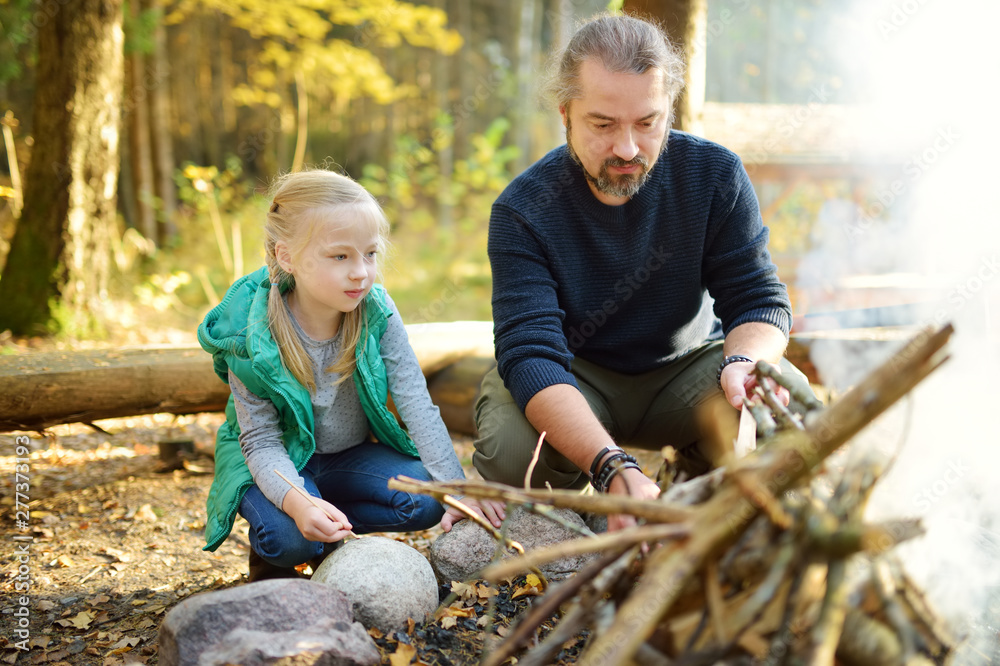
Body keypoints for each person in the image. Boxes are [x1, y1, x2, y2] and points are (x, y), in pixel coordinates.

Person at [472, 13, 814, 531]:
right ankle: (583, 513)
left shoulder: (716, 175)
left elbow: (758, 300)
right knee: (511, 451)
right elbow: (531, 357)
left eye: (647, 122)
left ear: (668, 110)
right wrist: (612, 467)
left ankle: (695, 481)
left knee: (781, 408)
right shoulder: (524, 209)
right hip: (574, 375)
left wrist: (745, 362)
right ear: (566, 113)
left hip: (689, 369)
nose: (628, 149)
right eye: (603, 124)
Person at [198, 169, 505, 581]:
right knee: (290, 541)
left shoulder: (375, 310)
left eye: (370, 254)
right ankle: (288, 543)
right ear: (287, 256)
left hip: (346, 457)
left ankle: (328, 525)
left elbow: (415, 399)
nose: (361, 271)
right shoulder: (251, 332)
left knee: (426, 498)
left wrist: (454, 485)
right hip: (276, 461)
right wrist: (299, 502)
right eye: (340, 256)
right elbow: (261, 440)